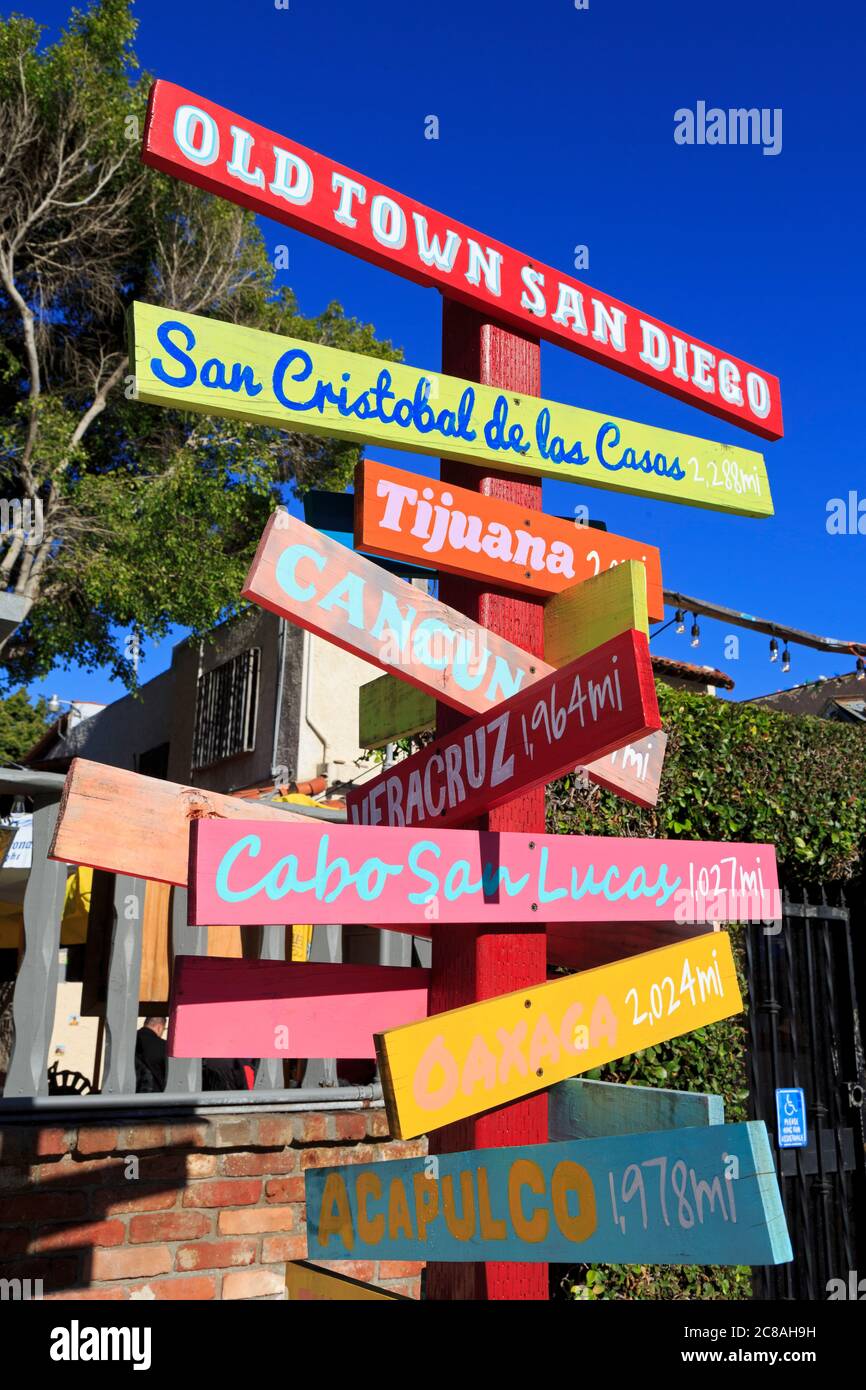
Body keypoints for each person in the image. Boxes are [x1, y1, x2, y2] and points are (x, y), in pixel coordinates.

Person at [135, 1016, 167, 1093]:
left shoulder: (131, 1040)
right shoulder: (164, 1046)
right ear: (159, 1027)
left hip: (128, 1096)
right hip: (155, 1097)